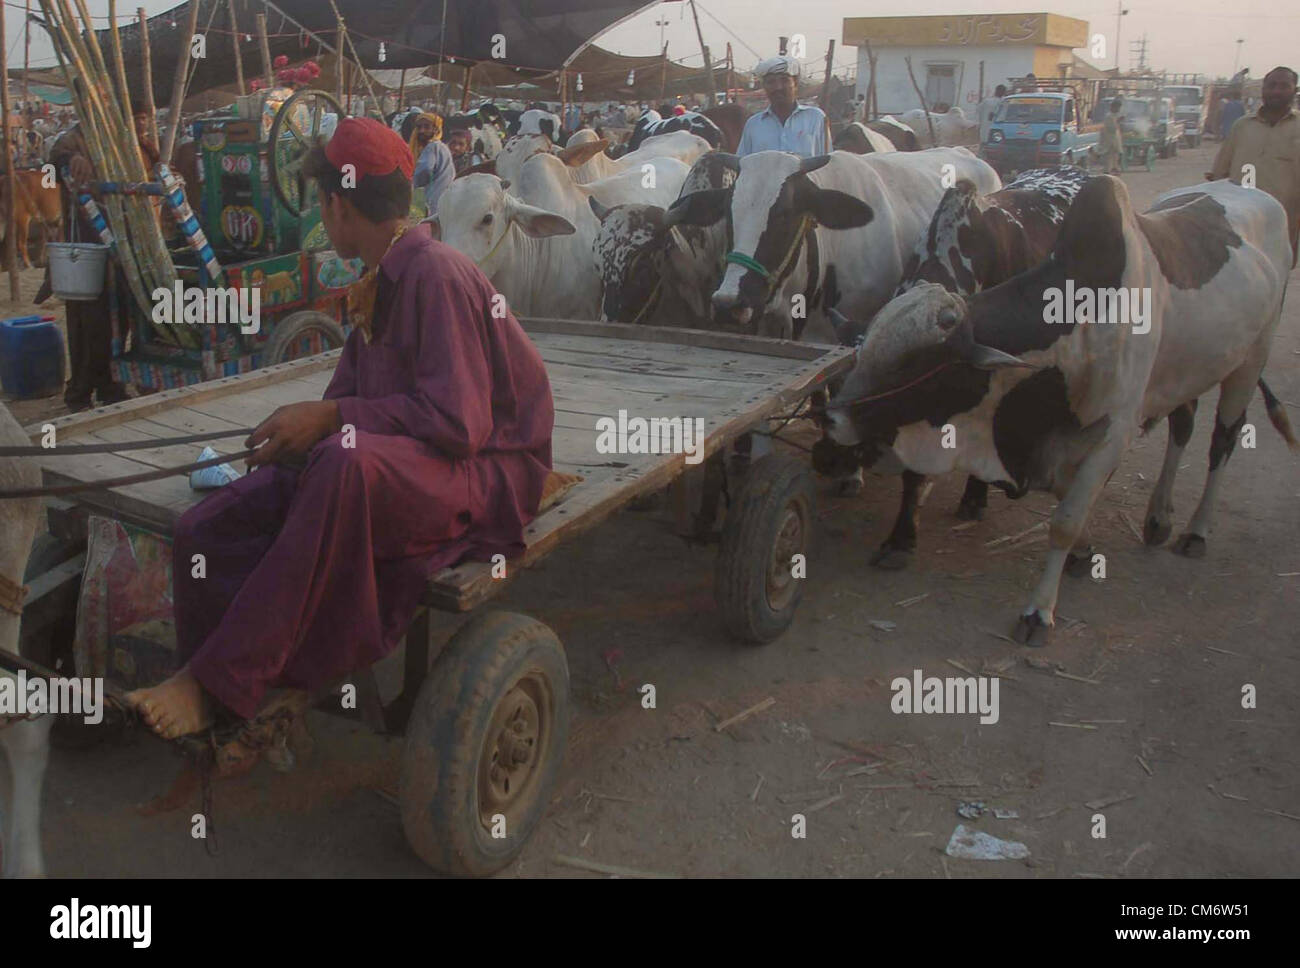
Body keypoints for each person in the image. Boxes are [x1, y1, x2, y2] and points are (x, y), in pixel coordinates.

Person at [126, 118, 555, 738]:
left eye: (321, 204)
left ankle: (222, 678)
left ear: (335, 203)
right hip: (425, 457)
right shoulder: (380, 277)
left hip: (490, 468)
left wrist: (331, 420)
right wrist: (295, 436)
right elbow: (353, 399)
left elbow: (460, 423)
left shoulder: (433, 273)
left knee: (341, 464)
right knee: (210, 522)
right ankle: (219, 691)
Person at [39, 101, 160, 411]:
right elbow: (50, 171)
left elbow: (157, 174)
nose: (141, 125)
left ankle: (111, 387)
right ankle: (80, 392)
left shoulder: (136, 145)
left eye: (143, 119)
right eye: (136, 118)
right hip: (89, 250)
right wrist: (70, 159)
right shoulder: (77, 138)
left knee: (123, 320)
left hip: (129, 250)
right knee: (90, 323)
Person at [1209, 66, 1300, 263]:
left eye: (1284, 86)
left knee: (1275, 280)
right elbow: (1219, 175)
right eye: (1271, 85)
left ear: (1295, 90)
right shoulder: (1242, 126)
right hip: (1239, 223)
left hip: (1282, 225)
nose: (1276, 91)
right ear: (1263, 89)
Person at [737, 55, 830, 157]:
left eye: (784, 80)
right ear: (764, 86)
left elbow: (828, 164)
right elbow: (743, 165)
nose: (778, 87)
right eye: (771, 82)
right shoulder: (754, 125)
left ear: (795, 83)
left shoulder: (816, 118)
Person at [411, 113, 455, 215]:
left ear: (436, 129)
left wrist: (413, 184)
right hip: (444, 200)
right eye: (419, 127)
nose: (422, 131)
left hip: (431, 201)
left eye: (427, 127)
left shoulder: (432, 147)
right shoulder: (442, 147)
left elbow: (425, 170)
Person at [1100, 97, 1123, 174]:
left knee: (1115, 157)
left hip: (1114, 141)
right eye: (1117, 107)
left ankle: (1114, 169)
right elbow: (1112, 129)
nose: (1118, 109)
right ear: (1113, 107)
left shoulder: (1114, 116)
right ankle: (1108, 171)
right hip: (1110, 141)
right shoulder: (1109, 117)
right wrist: (1118, 121)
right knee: (1109, 158)